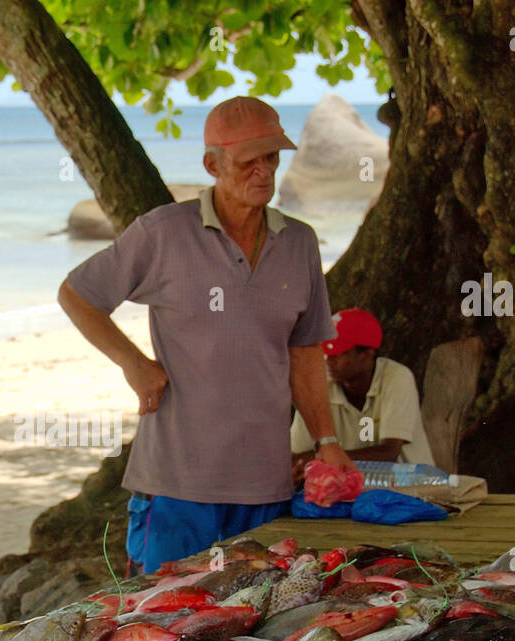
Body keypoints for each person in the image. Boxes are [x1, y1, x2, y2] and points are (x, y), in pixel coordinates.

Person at [58, 96, 356, 574]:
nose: (263, 172)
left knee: (255, 623)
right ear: (212, 165)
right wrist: (135, 364)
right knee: (166, 619)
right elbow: (77, 294)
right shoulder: (163, 234)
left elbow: (305, 352)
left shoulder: (299, 243)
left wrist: (327, 441)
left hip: (266, 483)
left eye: (272, 159)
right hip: (178, 485)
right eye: (248, 161)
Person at [289, 308, 435, 482]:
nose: (328, 359)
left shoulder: (396, 378)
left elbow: (389, 453)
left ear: (368, 353)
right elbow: (296, 454)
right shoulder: (322, 385)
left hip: (411, 488)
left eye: (338, 352)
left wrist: (323, 457)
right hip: (348, 490)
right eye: (325, 351)